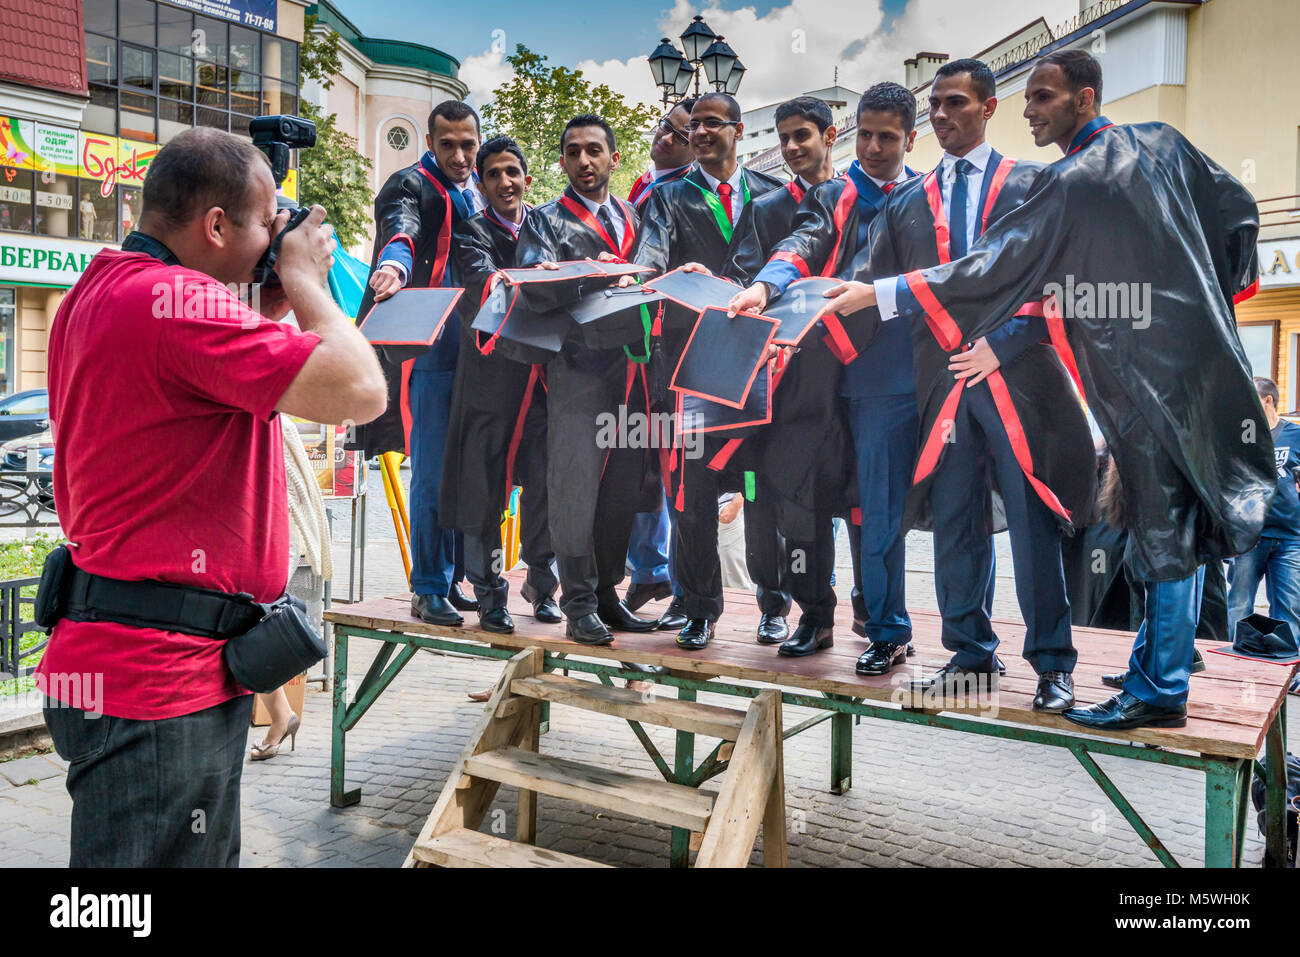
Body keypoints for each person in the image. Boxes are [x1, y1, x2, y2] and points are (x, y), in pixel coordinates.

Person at [824, 49, 1270, 730]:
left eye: (1043, 97)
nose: (1031, 110)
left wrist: (880, 295)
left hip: (1128, 379)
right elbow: (1237, 213)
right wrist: (1212, 302)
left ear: (1085, 98)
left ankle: (1151, 684)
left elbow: (999, 266)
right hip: (1191, 361)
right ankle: (1140, 662)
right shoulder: (1163, 140)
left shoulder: (1063, 180)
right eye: (1029, 97)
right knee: (1171, 513)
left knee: (1162, 521)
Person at [38, 127, 386, 865]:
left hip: (135, 665)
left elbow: (194, 380)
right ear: (217, 226)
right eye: (267, 222)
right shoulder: (176, 300)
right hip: (160, 687)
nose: (275, 238)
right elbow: (362, 388)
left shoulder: (104, 287)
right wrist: (307, 284)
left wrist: (264, 300)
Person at [854, 60, 1094, 710]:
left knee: (1030, 519)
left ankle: (1052, 663)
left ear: (989, 107)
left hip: (1018, 384)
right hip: (943, 388)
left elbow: (1061, 285)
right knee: (955, 521)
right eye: (933, 105)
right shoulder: (905, 202)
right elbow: (873, 289)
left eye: (954, 103)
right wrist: (795, 308)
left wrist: (1002, 345)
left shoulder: (1035, 185)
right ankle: (969, 656)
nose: (939, 116)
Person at [726, 83, 920, 659]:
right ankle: (815, 616)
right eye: (866, 135)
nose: (875, 147)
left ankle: (883, 623)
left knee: (875, 508)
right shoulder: (835, 193)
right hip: (815, 373)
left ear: (910, 138)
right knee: (805, 501)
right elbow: (803, 242)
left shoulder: (922, 196)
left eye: (888, 137)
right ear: (851, 132)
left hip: (886, 376)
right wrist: (764, 286)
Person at [628, 91, 786, 650]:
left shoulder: (772, 193)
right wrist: (645, 273)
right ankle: (698, 607)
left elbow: (788, 265)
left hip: (755, 359)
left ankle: (774, 604)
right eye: (692, 124)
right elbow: (651, 254)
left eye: (711, 124)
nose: (697, 132)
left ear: (739, 131)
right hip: (688, 360)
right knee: (690, 491)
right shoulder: (666, 196)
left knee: (761, 485)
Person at [514, 114, 659, 646]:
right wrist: (586, 274)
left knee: (621, 485)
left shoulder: (637, 216)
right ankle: (576, 602)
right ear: (561, 161)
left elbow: (654, 263)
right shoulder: (544, 221)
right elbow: (533, 283)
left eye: (594, 150)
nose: (583, 161)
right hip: (575, 369)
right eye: (572, 151)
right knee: (574, 485)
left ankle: (605, 597)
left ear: (613, 159)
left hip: (633, 367)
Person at [715, 95, 847, 655]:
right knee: (777, 494)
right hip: (782, 375)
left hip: (851, 370)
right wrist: (723, 284)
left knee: (848, 501)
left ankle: (874, 623)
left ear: (830, 135)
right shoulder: (768, 206)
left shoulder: (860, 197)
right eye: (784, 137)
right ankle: (787, 608)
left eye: (802, 136)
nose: (792, 148)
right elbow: (744, 271)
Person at [356, 100, 484, 629]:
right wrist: (394, 263)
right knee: (431, 466)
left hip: (475, 339)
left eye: (467, 144)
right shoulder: (408, 184)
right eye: (447, 143)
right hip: (425, 338)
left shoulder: (476, 188)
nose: (459, 154)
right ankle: (429, 587)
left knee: (463, 465)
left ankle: (451, 579)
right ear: (430, 143)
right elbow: (401, 229)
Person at [441, 136, 559, 636]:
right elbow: (485, 280)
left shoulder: (548, 224)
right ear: (481, 183)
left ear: (526, 177)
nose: (505, 182)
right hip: (490, 378)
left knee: (545, 484)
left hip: (542, 378)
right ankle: (490, 594)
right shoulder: (470, 232)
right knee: (484, 490)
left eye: (512, 171)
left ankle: (542, 583)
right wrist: (532, 279)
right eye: (493, 174)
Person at [1226, 377, 1300, 641]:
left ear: (1268, 400)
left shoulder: (1295, 435)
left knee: (1289, 609)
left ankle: (1287, 670)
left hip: (1290, 537)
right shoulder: (1241, 436)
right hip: (1249, 538)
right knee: (1239, 606)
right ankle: (1234, 665)